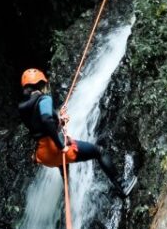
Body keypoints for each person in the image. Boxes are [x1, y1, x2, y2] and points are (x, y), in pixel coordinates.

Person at [17, 68, 136, 197]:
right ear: (40, 84)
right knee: (99, 152)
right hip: (54, 149)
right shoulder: (44, 99)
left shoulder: (23, 107)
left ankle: (68, 194)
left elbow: (38, 126)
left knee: (63, 166)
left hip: (43, 155)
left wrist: (59, 121)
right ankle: (122, 187)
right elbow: (46, 120)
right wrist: (61, 146)